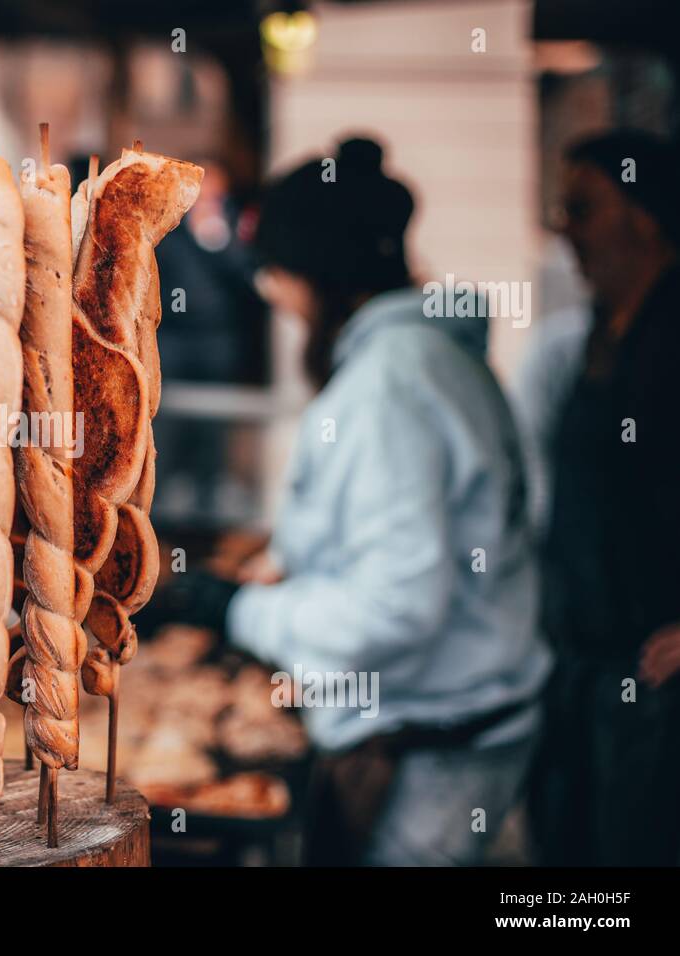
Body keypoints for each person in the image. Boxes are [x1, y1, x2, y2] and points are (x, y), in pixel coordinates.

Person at [138, 137, 550, 865]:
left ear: (321, 276)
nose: (278, 298)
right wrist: (287, 567)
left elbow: (395, 605)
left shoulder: (391, 387)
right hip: (461, 720)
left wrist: (233, 608)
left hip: (436, 744)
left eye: (280, 277)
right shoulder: (425, 360)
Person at [520, 130, 680, 866]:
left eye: (582, 208)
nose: (566, 230)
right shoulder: (595, 334)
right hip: (581, 660)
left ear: (645, 218)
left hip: (653, 678)